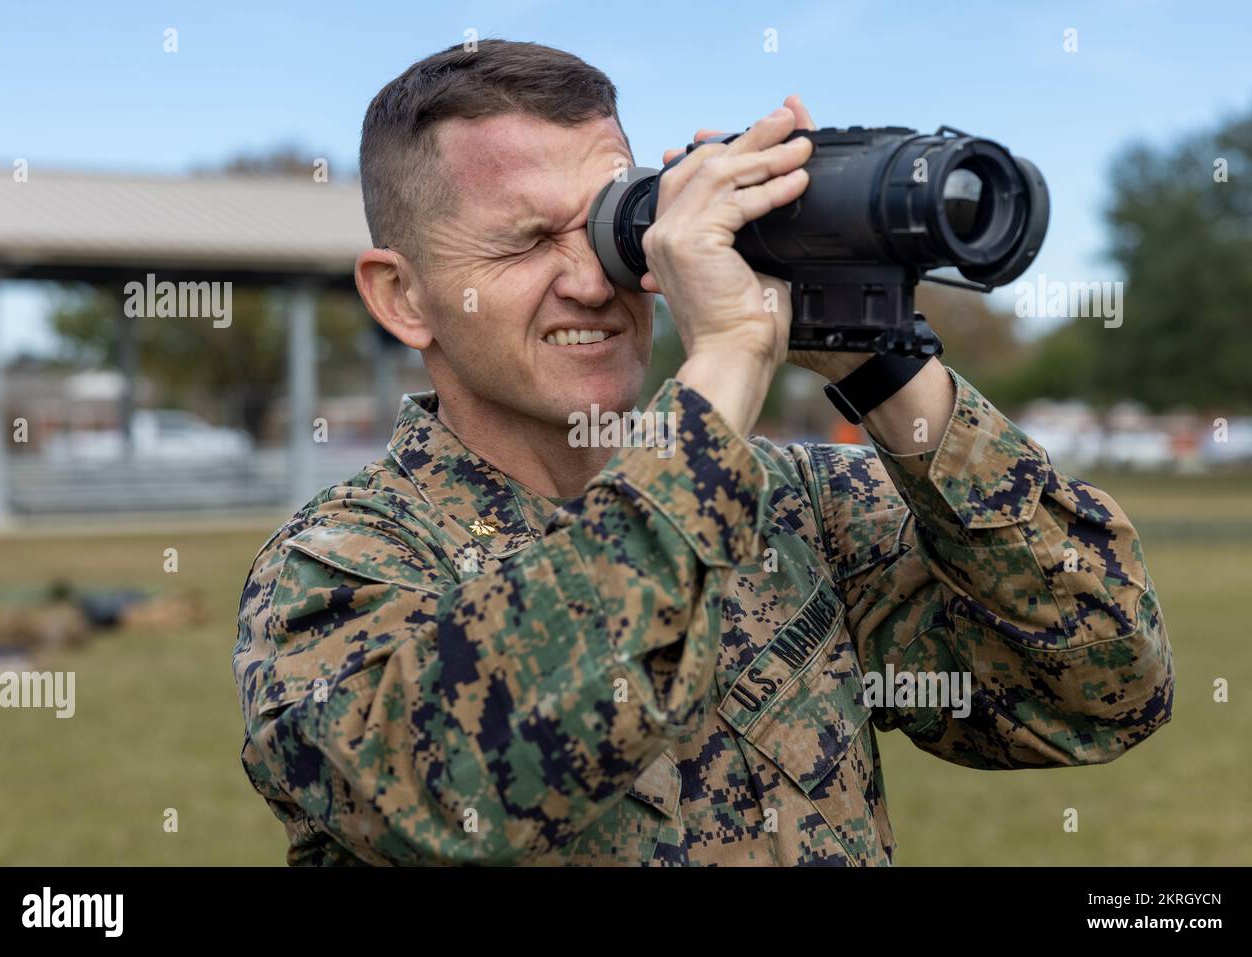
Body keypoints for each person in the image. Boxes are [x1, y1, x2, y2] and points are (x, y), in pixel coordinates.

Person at [232, 40, 1173, 866]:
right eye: (524, 243)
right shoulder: (341, 569)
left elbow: (1103, 685)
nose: (591, 284)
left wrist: (878, 365)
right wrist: (723, 357)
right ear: (403, 297)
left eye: (611, 226)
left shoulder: (798, 506)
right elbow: (454, 796)